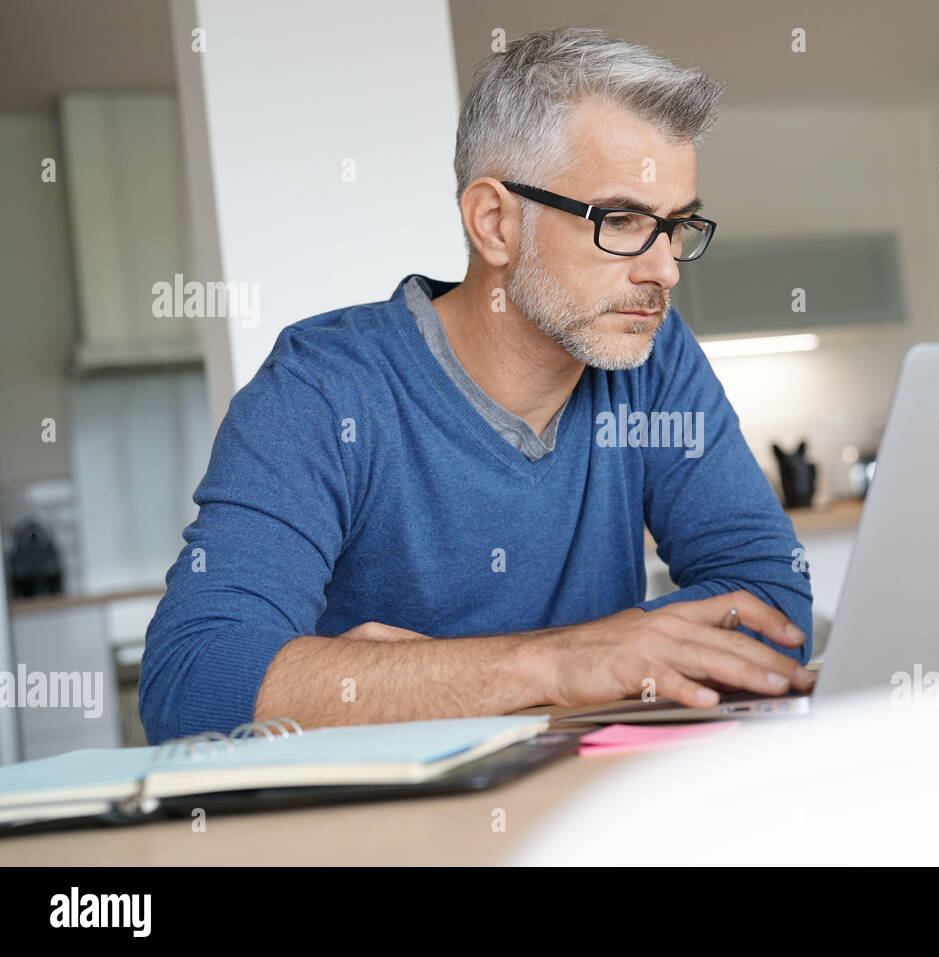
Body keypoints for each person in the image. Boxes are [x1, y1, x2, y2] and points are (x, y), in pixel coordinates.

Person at [140, 27, 814, 742]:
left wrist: (446, 679)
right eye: (621, 220)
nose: (665, 271)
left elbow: (771, 601)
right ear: (494, 223)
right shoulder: (322, 388)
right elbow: (194, 679)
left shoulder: (654, 357)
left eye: (675, 226)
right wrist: (552, 664)